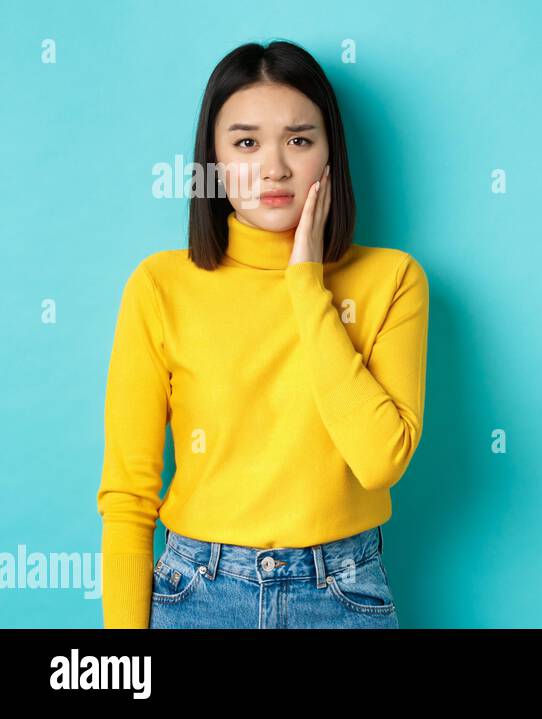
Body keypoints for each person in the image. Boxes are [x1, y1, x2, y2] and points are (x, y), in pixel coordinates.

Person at [96, 40, 429, 628]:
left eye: (299, 140)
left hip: (343, 593)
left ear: (330, 155)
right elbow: (128, 498)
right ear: (213, 159)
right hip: (196, 591)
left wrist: (305, 281)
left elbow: (380, 462)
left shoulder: (393, 279)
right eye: (246, 142)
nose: (274, 167)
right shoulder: (159, 285)